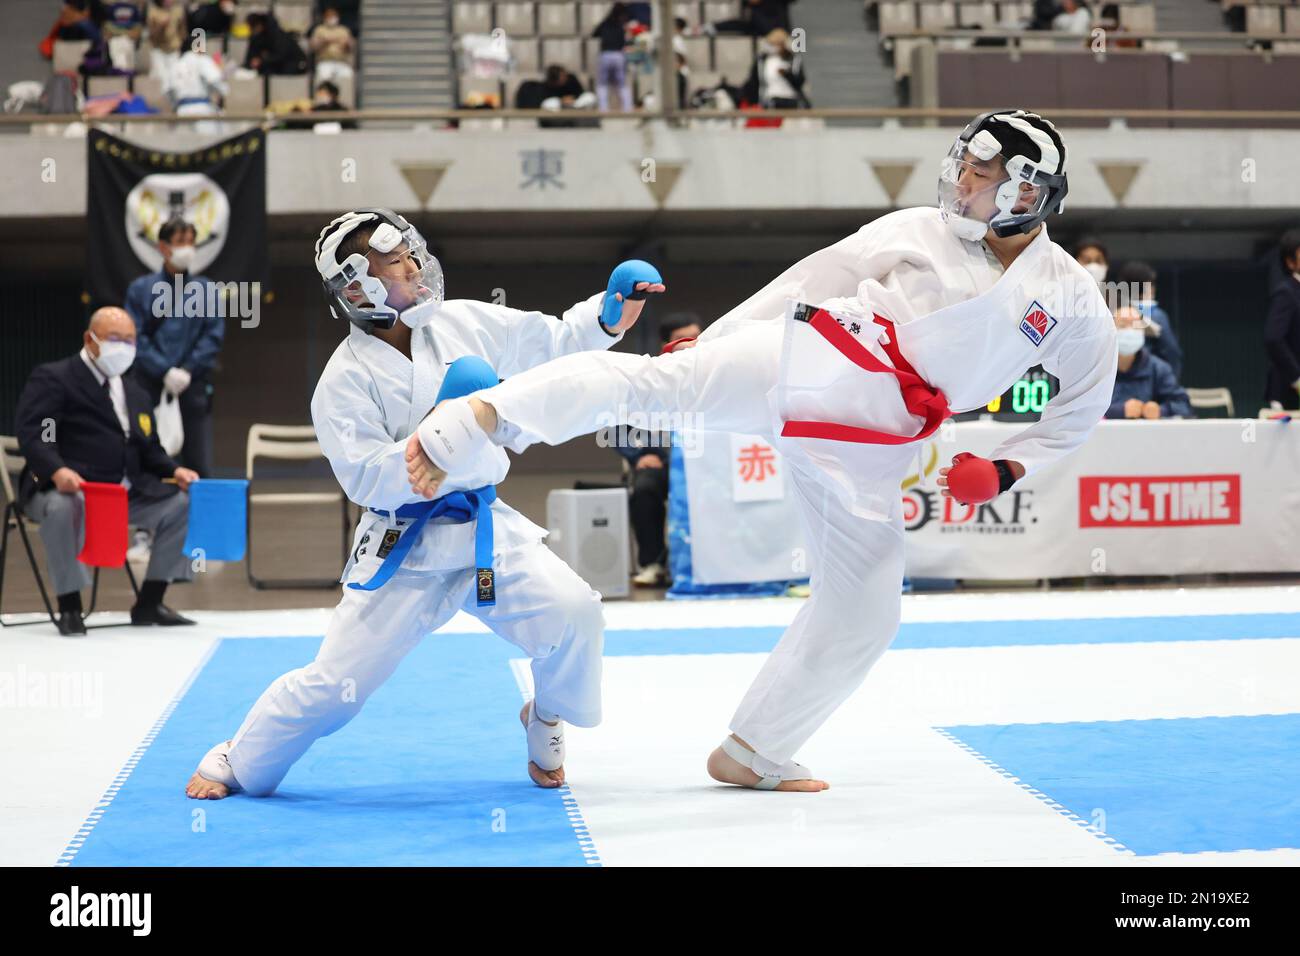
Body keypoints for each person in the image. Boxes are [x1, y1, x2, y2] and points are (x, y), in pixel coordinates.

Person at [408, 110, 1117, 792]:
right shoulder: (917, 229)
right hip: (825, 353)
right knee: (653, 385)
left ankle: (757, 747)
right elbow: (813, 281)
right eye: (961, 166)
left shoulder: (1067, 297)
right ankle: (483, 414)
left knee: (867, 609)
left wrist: (1006, 466)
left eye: (979, 174)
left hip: (880, 436)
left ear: (1026, 190)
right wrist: (720, 340)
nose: (960, 183)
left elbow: (1083, 402)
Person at [184, 209, 664, 800]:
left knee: (576, 614)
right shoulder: (343, 379)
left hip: (484, 527)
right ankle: (239, 758)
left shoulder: (461, 322)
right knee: (337, 686)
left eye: (412, 254)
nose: (413, 267)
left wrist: (608, 314)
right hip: (403, 545)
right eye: (395, 261)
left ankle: (544, 718)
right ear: (356, 284)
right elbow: (365, 476)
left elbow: (553, 343)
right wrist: (431, 442)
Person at [13, 307, 199, 636]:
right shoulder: (55, 378)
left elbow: (151, 450)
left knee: (185, 503)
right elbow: (39, 436)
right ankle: (69, 605)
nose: (124, 347)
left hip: (127, 492)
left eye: (130, 340)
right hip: (72, 490)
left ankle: (150, 602)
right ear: (90, 339)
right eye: (115, 339)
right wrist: (58, 471)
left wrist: (177, 470)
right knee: (63, 506)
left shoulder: (136, 392)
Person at [124, 217, 225, 478]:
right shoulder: (141, 289)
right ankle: (154, 517)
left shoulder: (207, 290)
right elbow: (134, 337)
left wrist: (188, 370)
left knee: (197, 465)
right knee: (149, 459)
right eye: (181, 242)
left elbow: (212, 336)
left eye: (191, 242)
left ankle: (197, 519)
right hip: (149, 387)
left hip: (192, 388)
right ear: (163, 247)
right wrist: (164, 370)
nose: (187, 248)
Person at [616, 314, 702, 587]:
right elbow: (619, 431)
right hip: (664, 464)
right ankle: (653, 563)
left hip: (707, 466)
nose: (691, 346)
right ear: (665, 345)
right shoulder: (646, 380)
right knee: (644, 489)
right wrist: (642, 455)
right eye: (682, 340)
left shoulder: (714, 375)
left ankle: (717, 563)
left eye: (696, 339)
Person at [1104, 306, 1191, 420]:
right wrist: (1119, 410)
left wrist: (1160, 410)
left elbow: (1183, 405)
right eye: (1122, 325)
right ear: (1110, 330)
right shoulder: (1097, 367)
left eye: (1136, 326)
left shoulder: (1158, 368)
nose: (1130, 331)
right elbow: (1080, 405)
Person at [1114, 260, 1182, 380]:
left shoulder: (1111, 311)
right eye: (1151, 285)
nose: (1153, 289)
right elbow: (1171, 352)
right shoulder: (1156, 315)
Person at [1265, 228, 1300, 408]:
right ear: (1290, 262)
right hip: (1288, 393)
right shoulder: (1286, 293)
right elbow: (1273, 339)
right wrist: (1297, 378)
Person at [160, 46, 227, 134]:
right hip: (203, 110)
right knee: (207, 143)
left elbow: (167, 90)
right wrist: (223, 91)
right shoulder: (202, 60)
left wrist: (175, 105)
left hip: (182, 110)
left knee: (183, 145)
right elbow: (215, 80)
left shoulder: (175, 64)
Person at [743, 28, 808, 110]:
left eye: (776, 44)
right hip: (769, 101)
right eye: (771, 44)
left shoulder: (794, 59)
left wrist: (787, 74)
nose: (773, 47)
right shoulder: (762, 61)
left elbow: (800, 82)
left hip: (791, 100)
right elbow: (754, 81)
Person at [592, 2, 632, 113]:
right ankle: (627, 108)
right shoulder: (622, 25)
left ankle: (603, 108)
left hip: (606, 54)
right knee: (622, 83)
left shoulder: (605, 23)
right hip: (618, 55)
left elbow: (594, 34)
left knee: (602, 83)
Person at [309, 5, 354, 86]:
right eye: (329, 17)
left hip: (342, 62)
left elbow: (350, 47)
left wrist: (346, 44)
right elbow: (313, 46)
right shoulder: (319, 30)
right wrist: (325, 41)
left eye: (334, 16)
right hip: (325, 62)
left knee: (348, 76)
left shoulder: (343, 30)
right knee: (323, 77)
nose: (332, 19)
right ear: (325, 18)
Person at [145, 0, 185, 79]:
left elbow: (182, 30)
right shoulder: (153, 12)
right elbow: (151, 36)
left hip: (174, 50)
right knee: (161, 78)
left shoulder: (178, 11)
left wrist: (180, 42)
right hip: (158, 51)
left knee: (176, 78)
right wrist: (160, 27)